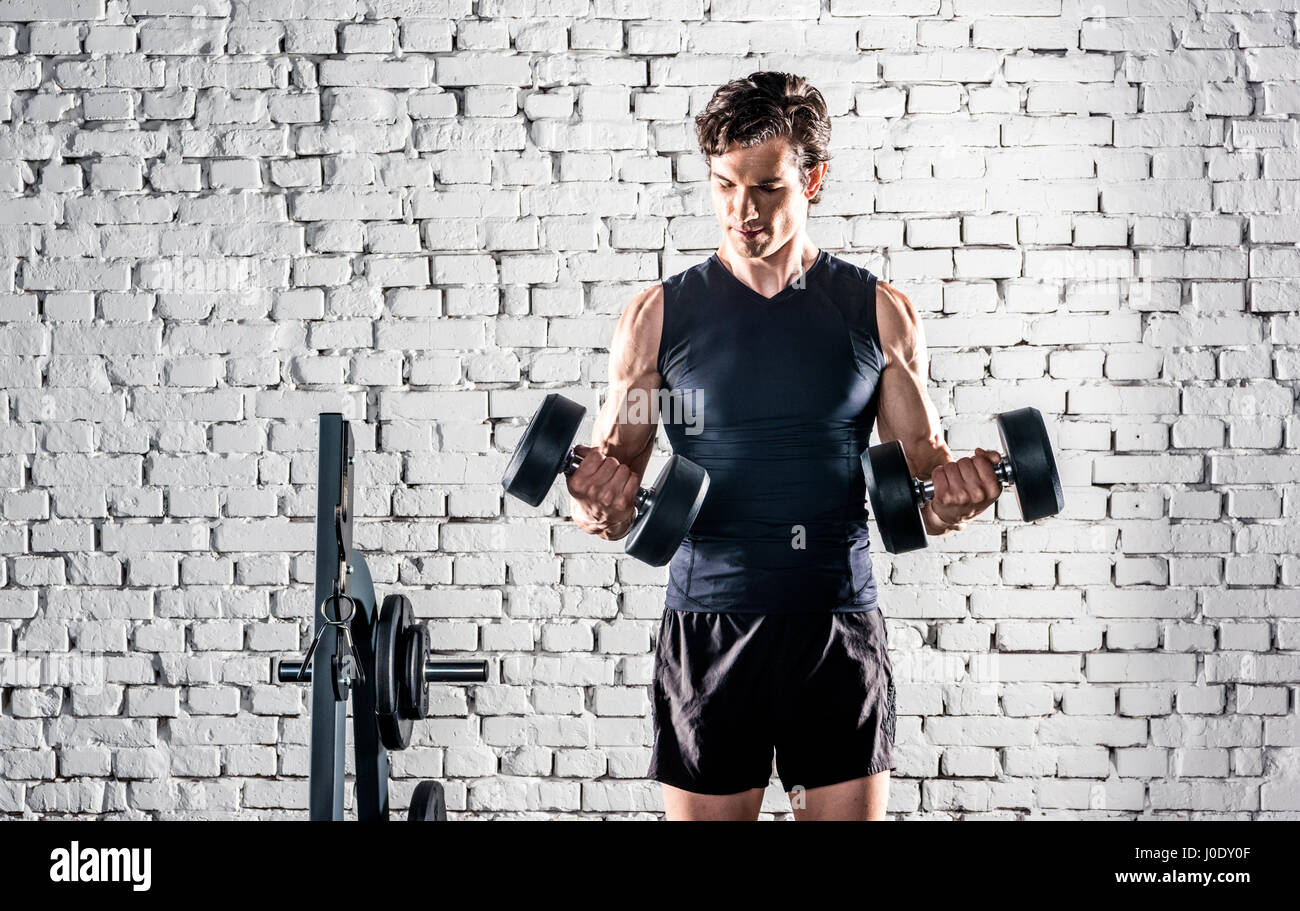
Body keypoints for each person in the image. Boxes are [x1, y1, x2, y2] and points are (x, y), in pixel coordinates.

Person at [565, 72, 1004, 821]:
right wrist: (593, 502)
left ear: (814, 177)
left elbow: (923, 491)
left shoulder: (876, 314)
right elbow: (615, 489)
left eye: (768, 187)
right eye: (725, 185)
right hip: (707, 630)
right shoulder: (659, 320)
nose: (744, 211)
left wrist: (962, 495)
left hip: (835, 626)